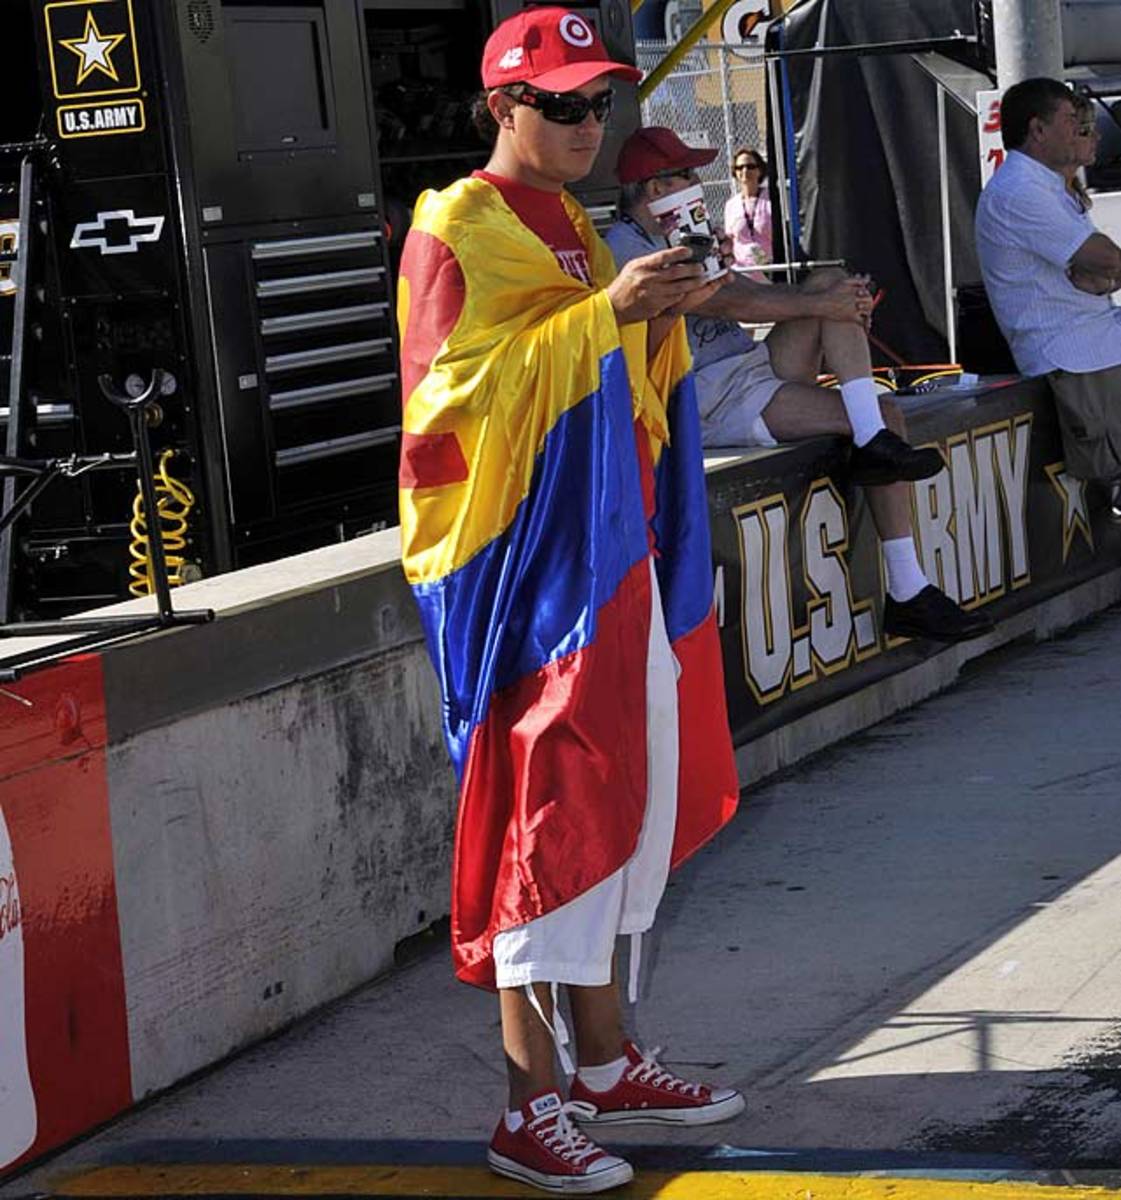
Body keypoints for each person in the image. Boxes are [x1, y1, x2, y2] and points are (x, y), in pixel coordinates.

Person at [397, 10, 745, 1195]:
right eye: (561, 105)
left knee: (617, 795)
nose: (588, 123)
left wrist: (658, 321)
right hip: (528, 582)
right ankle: (522, 1105)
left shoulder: (582, 232)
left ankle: (600, 1061)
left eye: (597, 102)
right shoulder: (456, 222)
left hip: (610, 554)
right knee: (539, 816)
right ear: (502, 108)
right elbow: (444, 408)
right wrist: (609, 318)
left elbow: (617, 377)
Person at [606, 126, 994, 644]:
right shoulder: (623, 249)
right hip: (707, 396)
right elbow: (728, 304)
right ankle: (908, 590)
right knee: (889, 415)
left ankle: (871, 439)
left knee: (832, 281)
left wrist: (826, 299)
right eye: (686, 174)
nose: (700, 182)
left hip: (741, 369)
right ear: (654, 189)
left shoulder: (672, 233)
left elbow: (737, 291)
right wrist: (818, 306)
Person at [975, 77, 1121, 503]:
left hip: (1096, 345)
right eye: (1072, 121)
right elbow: (1106, 263)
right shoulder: (1019, 190)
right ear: (1037, 130)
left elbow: (1102, 272)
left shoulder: (1047, 188)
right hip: (1076, 357)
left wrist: (1103, 275)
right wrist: (1103, 273)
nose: (1085, 132)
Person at [723, 145, 773, 278]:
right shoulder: (731, 205)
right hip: (742, 273)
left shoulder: (773, 200)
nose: (745, 171)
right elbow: (730, 240)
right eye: (740, 167)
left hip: (771, 271)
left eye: (750, 166)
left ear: (760, 170)